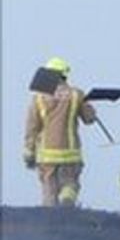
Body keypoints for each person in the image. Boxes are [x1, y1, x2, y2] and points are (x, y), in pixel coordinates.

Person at [22, 57, 97, 207]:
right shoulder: (77, 94)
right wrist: (91, 110)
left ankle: (51, 221)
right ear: (65, 74)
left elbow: (32, 127)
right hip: (70, 154)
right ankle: (66, 199)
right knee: (70, 183)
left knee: (49, 191)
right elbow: (89, 119)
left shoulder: (38, 98)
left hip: (46, 155)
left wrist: (29, 153)